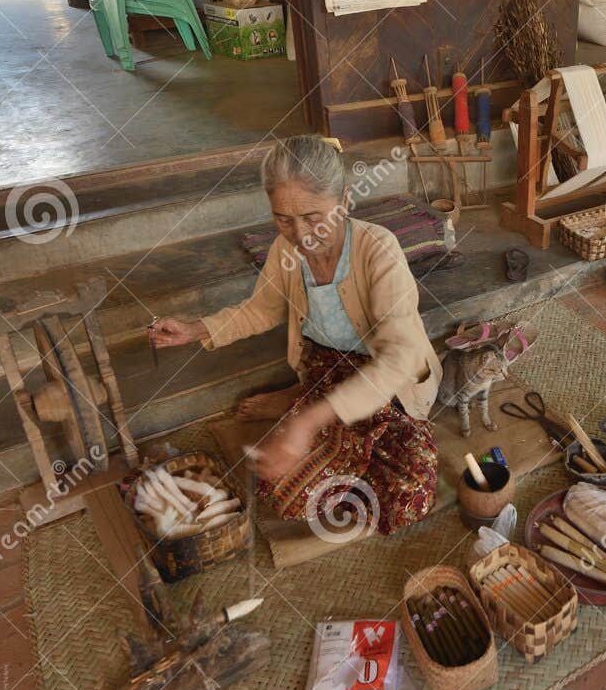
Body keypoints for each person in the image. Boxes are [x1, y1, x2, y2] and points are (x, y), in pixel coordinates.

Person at [150, 136, 441, 534]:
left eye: (312, 216)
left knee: (410, 495)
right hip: (326, 368)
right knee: (286, 493)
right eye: (283, 219)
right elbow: (262, 309)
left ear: (345, 200)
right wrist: (196, 328)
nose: (300, 233)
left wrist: (306, 425)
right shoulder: (284, 253)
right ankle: (308, 400)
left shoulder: (378, 251)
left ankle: (305, 407)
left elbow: (398, 360)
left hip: (389, 381)